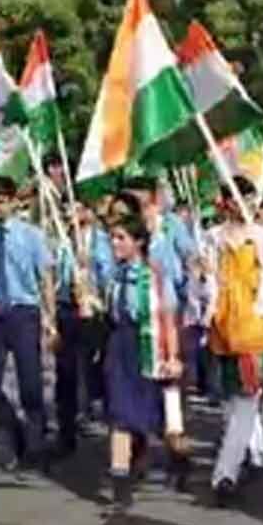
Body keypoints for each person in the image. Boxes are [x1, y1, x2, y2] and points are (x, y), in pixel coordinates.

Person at [204, 177, 263, 504]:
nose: (246, 206)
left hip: (252, 325)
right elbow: (207, 282)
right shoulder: (212, 238)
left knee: (246, 399)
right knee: (229, 398)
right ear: (225, 202)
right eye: (239, 199)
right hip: (221, 326)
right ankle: (241, 455)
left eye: (250, 200)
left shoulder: (262, 237)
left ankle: (225, 473)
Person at [0, 176, 57, 473]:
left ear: (13, 202)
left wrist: (50, 318)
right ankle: (14, 429)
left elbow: (45, 277)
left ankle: (37, 444)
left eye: (0, 201)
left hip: (24, 313)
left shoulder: (31, 235)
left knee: (30, 384)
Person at [100, 215, 182, 508]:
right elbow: (109, 312)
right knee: (119, 415)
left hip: (149, 345)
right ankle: (120, 482)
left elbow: (168, 319)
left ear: (139, 242)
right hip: (119, 347)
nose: (114, 243)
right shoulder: (114, 276)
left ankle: (175, 459)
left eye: (121, 238)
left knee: (156, 417)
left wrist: (172, 357)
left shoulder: (156, 278)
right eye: (112, 237)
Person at [53, 199, 115, 456]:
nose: (71, 214)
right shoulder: (59, 239)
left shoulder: (102, 241)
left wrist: (89, 271)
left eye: (77, 208)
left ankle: (90, 407)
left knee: (91, 366)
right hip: (66, 308)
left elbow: (109, 275)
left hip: (93, 311)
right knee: (65, 370)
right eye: (67, 209)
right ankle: (66, 428)